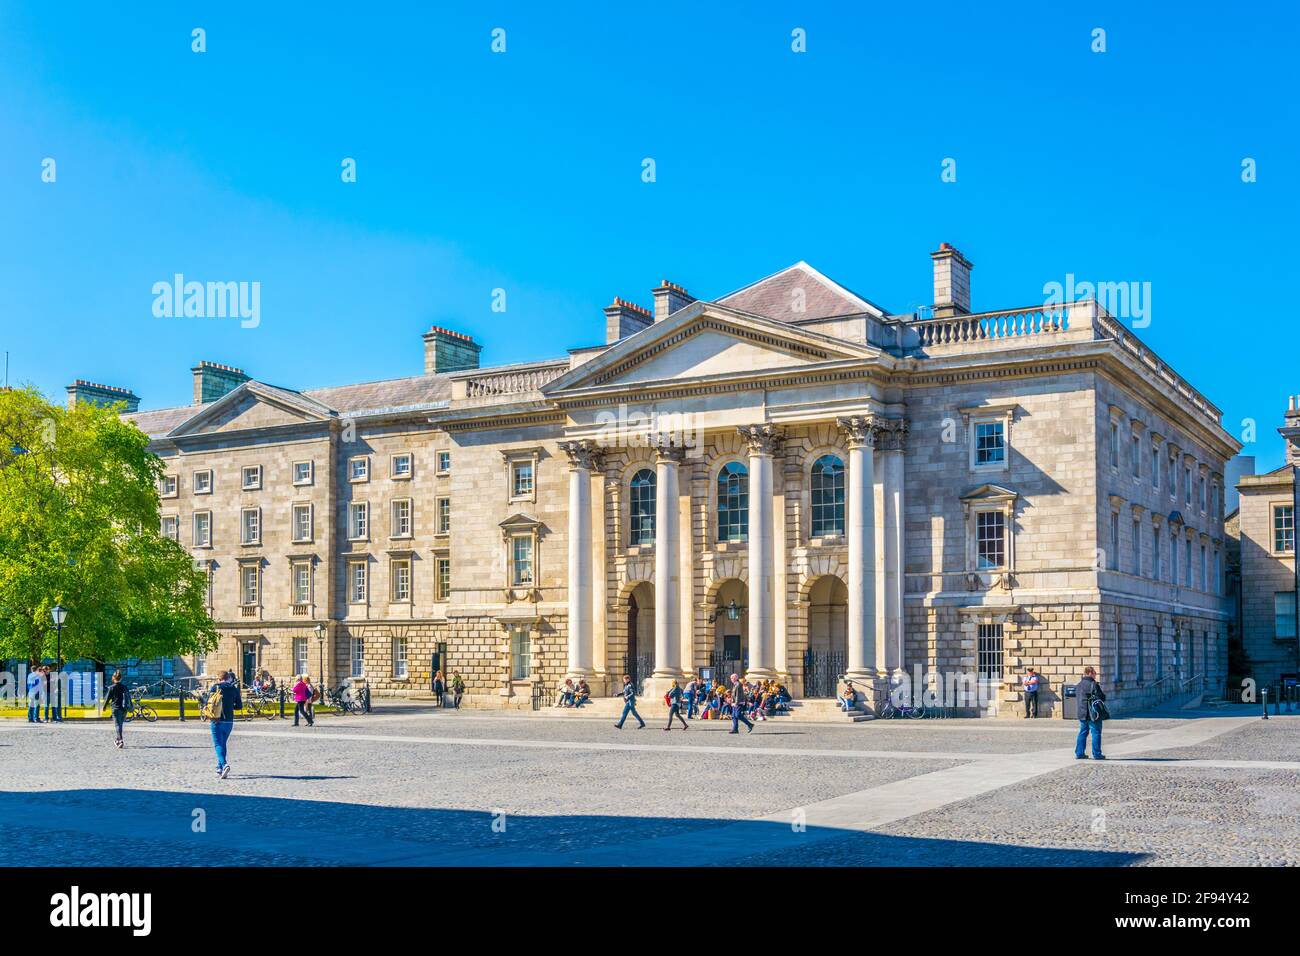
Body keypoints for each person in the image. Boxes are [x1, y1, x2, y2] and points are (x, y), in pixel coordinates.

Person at [206, 671, 243, 778]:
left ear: (219, 679)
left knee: (218, 744)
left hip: (216, 719)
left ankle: (224, 764)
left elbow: (208, 703)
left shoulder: (215, 688)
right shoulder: (234, 689)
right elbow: (239, 706)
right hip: (229, 721)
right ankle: (219, 768)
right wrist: (230, 706)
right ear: (228, 678)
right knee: (223, 744)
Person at [1074, 666, 1106, 760]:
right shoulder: (1093, 684)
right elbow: (1102, 697)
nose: (1096, 675)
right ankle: (1097, 754)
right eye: (1095, 673)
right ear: (1090, 673)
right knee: (1096, 732)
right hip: (1093, 713)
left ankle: (1079, 753)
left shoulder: (1079, 684)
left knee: (1082, 732)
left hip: (1081, 712)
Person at [103, 670, 131, 749]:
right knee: (120, 724)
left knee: (117, 725)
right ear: (121, 678)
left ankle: (120, 740)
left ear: (113, 678)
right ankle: (118, 739)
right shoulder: (125, 687)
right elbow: (128, 698)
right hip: (124, 708)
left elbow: (107, 699)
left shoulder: (111, 687)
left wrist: (104, 707)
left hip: (115, 708)